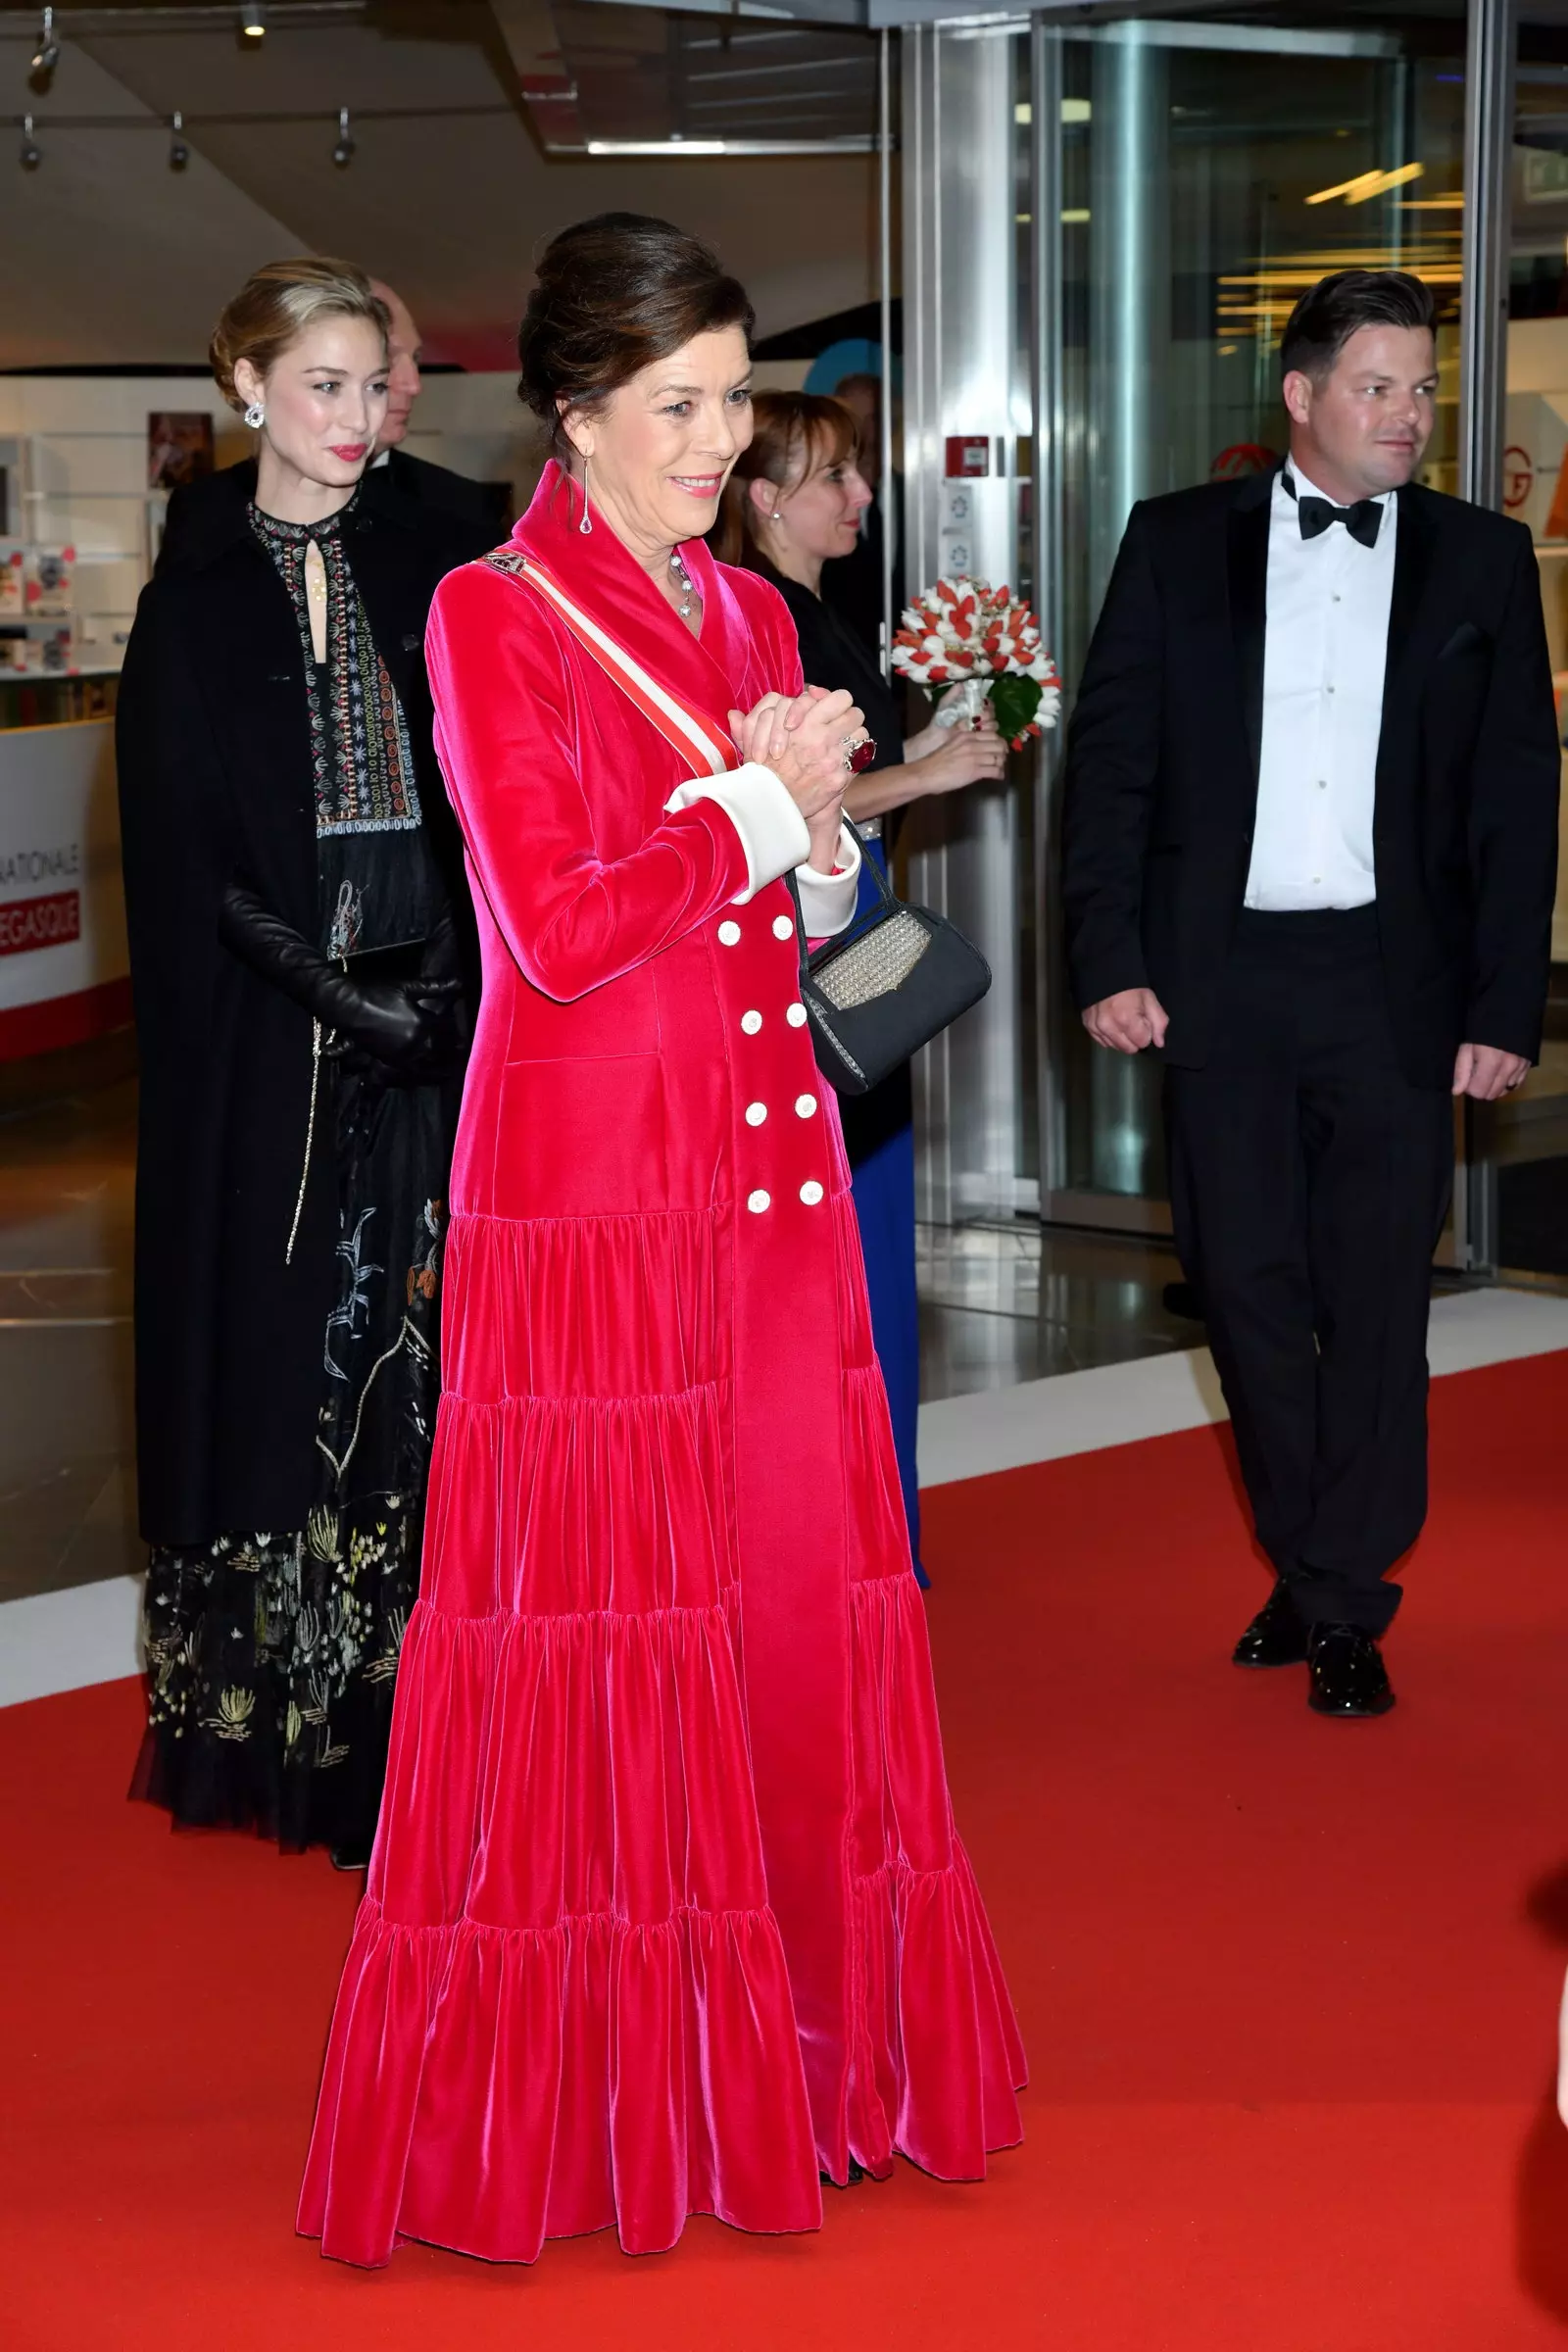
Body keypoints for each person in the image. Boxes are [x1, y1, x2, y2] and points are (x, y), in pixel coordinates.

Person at [298, 212, 1025, 2270]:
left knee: (793, 1616)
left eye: (727, 402)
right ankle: (617, 2095)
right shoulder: (489, 615)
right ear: (575, 410)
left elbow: (780, 914)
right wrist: (753, 813)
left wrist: (813, 861)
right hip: (596, 1202)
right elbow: (554, 919)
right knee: (614, 1638)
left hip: (772, 1184)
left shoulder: (742, 613)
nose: (718, 444)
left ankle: (806, 2060)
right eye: (679, 408)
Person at [1062, 268, 1559, 1717]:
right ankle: (1311, 1550)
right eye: (1379, 387)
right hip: (1220, 978)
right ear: (1302, 395)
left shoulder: (1481, 558)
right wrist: (1112, 958)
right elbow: (1113, 773)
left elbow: (1516, 805)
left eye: (1422, 391)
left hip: (1394, 984)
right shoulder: (1172, 546)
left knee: (1374, 1291)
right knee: (1242, 1283)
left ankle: (1345, 1591)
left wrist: (1500, 1002)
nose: (1408, 416)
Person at [116, 258, 476, 1864]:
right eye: (319, 385)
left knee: (438, 1376)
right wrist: (354, 1009)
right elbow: (193, 874)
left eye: (371, 385)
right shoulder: (188, 605)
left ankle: (441, 1719)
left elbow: (486, 804)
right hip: (278, 1051)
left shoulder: (435, 563)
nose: (353, 418)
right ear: (248, 386)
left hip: (453, 1024)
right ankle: (316, 1735)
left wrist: (458, 993)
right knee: (298, 1369)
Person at [715, 390, 1008, 1579]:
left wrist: (932, 748)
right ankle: (846, 1542)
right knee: (842, 1239)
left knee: (866, 1235)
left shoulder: (810, 615)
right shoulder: (762, 620)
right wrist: (924, 774)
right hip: (812, 938)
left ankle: (866, 1536)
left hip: (853, 924)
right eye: (834, 475)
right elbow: (791, 802)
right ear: (765, 496)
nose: (860, 496)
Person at [156, 272, 500, 574]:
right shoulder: (203, 520)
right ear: (251, 383)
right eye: (328, 385)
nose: (360, 418)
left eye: (375, 385)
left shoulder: (458, 519)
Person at [821, 368, 903, 659]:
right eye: (856, 420)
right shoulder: (818, 511)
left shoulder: (914, 502)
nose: (868, 432)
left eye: (877, 419)